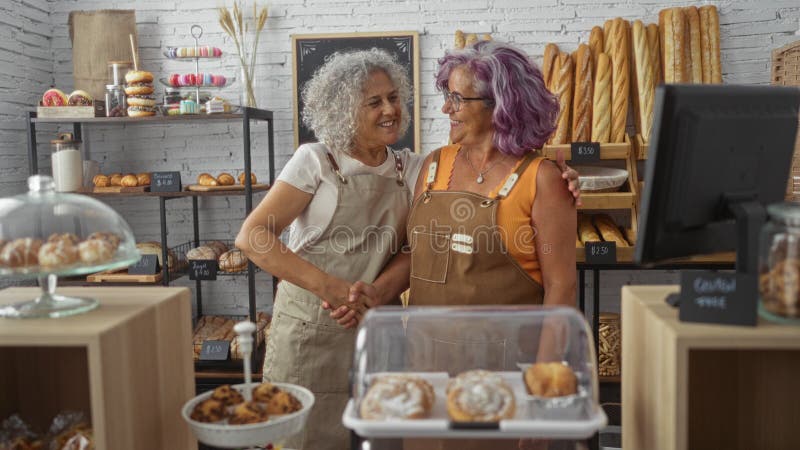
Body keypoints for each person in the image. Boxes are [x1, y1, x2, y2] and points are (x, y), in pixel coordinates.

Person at [236, 47, 579, 450]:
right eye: (374, 102)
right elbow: (252, 236)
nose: (392, 109)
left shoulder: (413, 167)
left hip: (394, 338)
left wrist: (563, 178)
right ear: (345, 109)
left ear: (500, 105)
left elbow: (423, 249)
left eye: (394, 98)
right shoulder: (324, 161)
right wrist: (334, 288)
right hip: (317, 335)